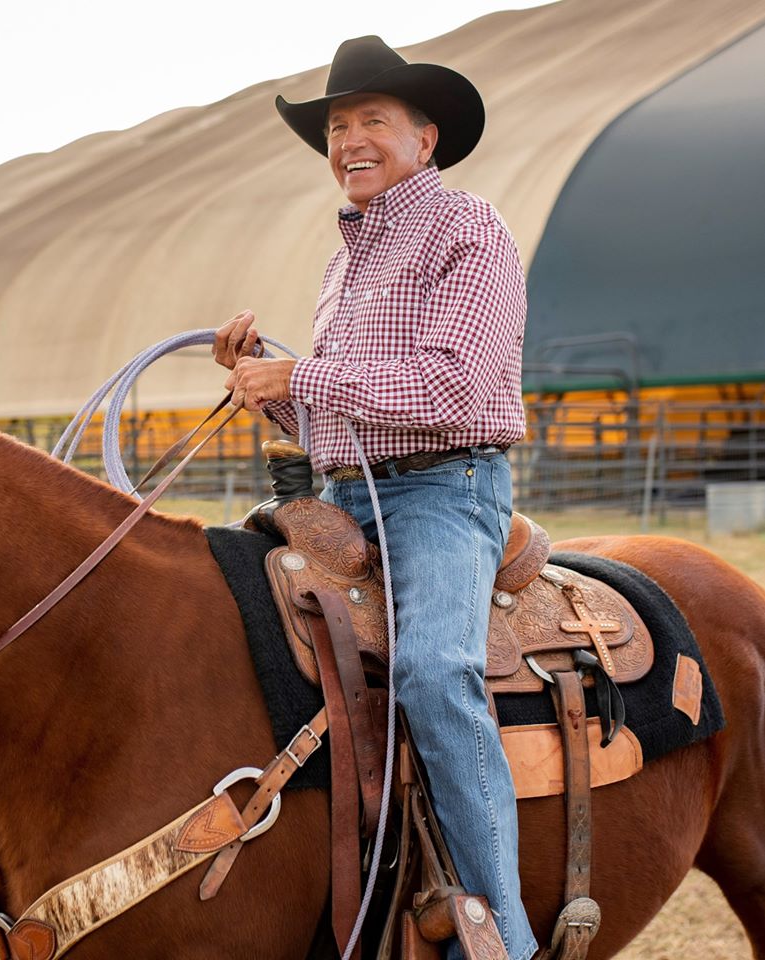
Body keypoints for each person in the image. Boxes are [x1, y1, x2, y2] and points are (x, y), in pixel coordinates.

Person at [213, 36, 537, 960]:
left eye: (371, 122)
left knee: (435, 672)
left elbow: (453, 390)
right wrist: (270, 390)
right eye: (336, 126)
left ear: (425, 138)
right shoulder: (340, 264)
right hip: (348, 493)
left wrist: (304, 371)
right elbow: (334, 426)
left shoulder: (468, 231)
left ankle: (504, 935)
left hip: (444, 491)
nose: (349, 139)